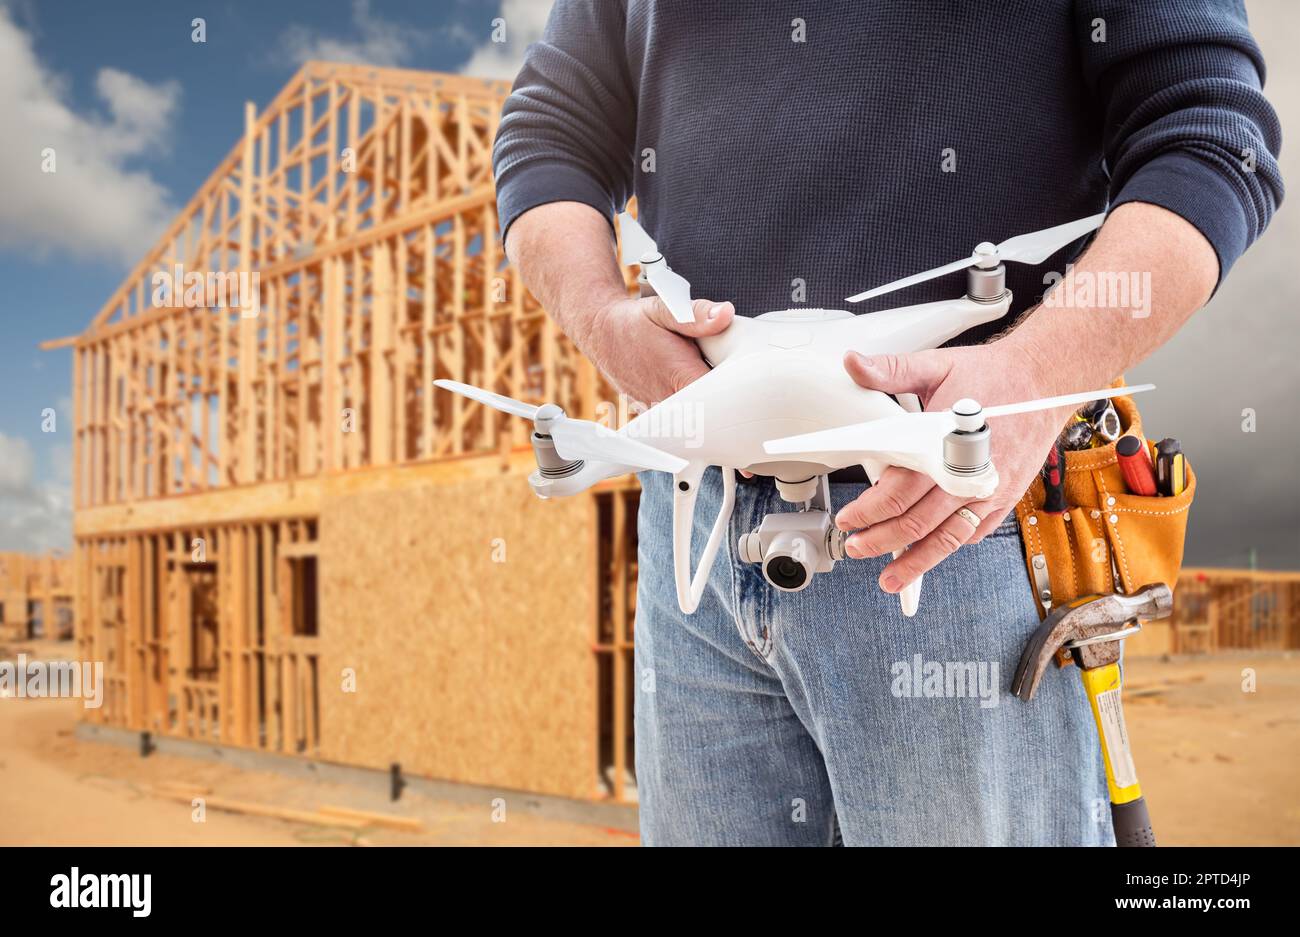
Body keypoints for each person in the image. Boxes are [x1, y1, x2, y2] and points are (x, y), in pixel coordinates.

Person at [491, 1, 1282, 845]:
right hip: (695, 543)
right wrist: (602, 316)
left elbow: (1210, 138)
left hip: (959, 530)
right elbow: (549, 138)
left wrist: (1035, 375)